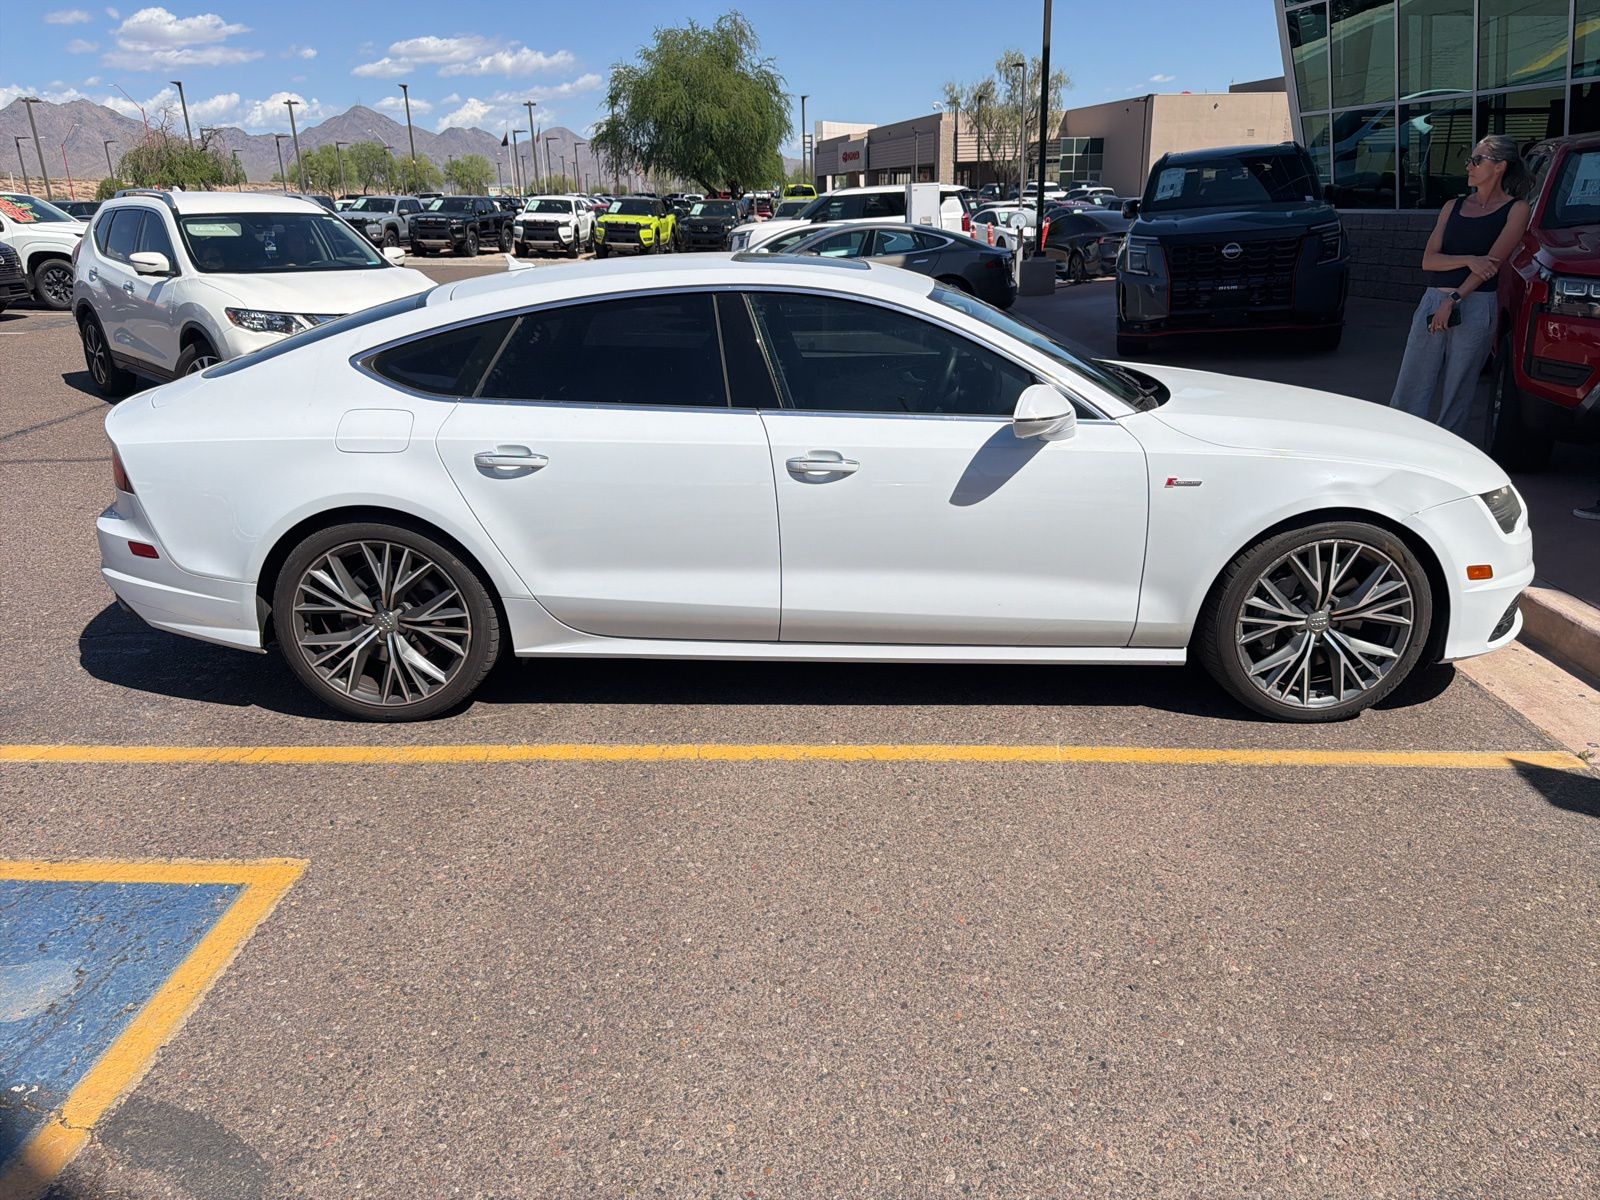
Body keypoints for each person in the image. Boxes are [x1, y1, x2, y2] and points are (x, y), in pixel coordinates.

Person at [1390, 135, 1533, 439]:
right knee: (1412, 383)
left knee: (1459, 390)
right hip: (1433, 302)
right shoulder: (1452, 206)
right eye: (1470, 159)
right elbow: (1428, 261)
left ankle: (1447, 451)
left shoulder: (1516, 210)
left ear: (1500, 166)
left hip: (1476, 305)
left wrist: (1454, 298)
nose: (1469, 166)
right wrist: (1469, 259)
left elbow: (1491, 265)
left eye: (1477, 160)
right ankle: (1400, 444)